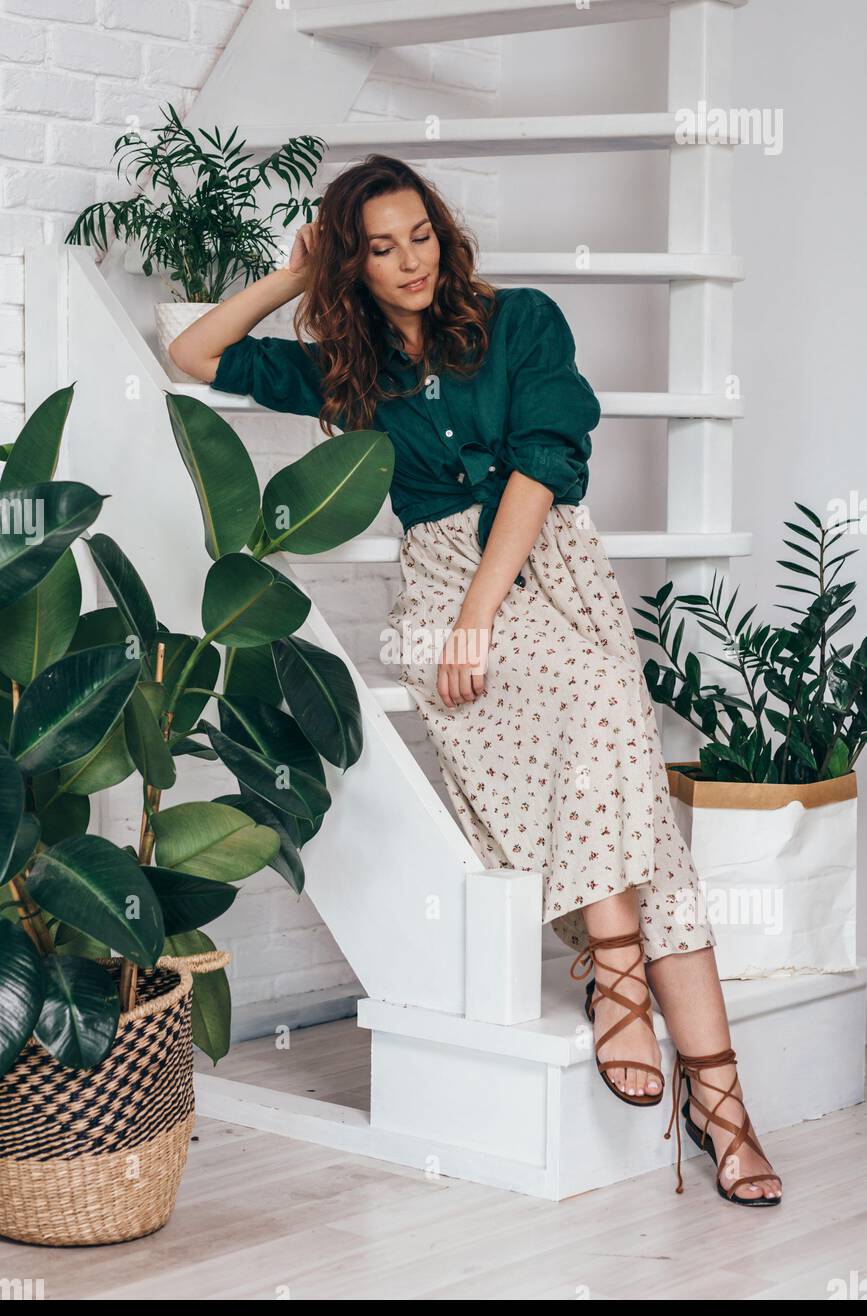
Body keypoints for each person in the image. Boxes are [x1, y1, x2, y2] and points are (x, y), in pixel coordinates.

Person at [169, 153, 782, 1206]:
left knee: (599, 707)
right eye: (379, 248)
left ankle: (628, 986)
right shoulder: (345, 365)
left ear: (445, 236)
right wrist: (293, 274)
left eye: (422, 237)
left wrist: (479, 619)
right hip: (440, 585)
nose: (410, 262)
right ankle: (720, 1108)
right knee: (623, 767)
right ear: (352, 264)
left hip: (538, 571)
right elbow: (193, 349)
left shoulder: (524, 321)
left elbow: (546, 461)